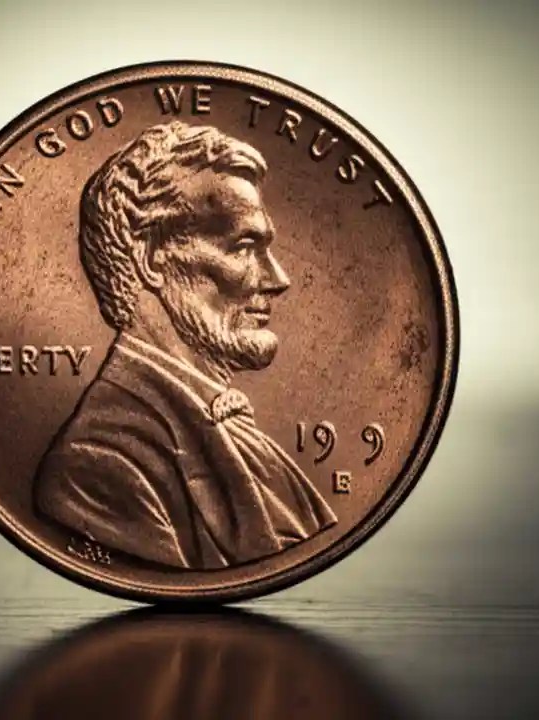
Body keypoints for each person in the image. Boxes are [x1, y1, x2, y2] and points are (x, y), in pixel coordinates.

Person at [34, 120, 336, 570]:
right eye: (244, 246)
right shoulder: (97, 466)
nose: (278, 280)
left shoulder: (234, 430)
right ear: (150, 257)